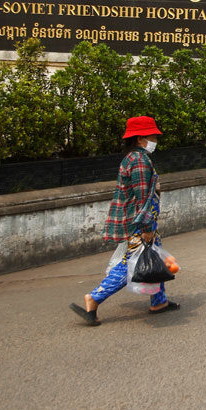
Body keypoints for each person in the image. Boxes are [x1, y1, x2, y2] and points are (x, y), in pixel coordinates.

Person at [70, 116, 179, 326]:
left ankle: (159, 301)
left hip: (140, 219)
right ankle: (94, 298)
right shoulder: (139, 161)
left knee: (154, 258)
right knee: (131, 263)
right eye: (152, 135)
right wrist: (147, 226)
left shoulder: (134, 158)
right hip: (140, 221)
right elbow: (142, 196)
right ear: (140, 139)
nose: (156, 138)